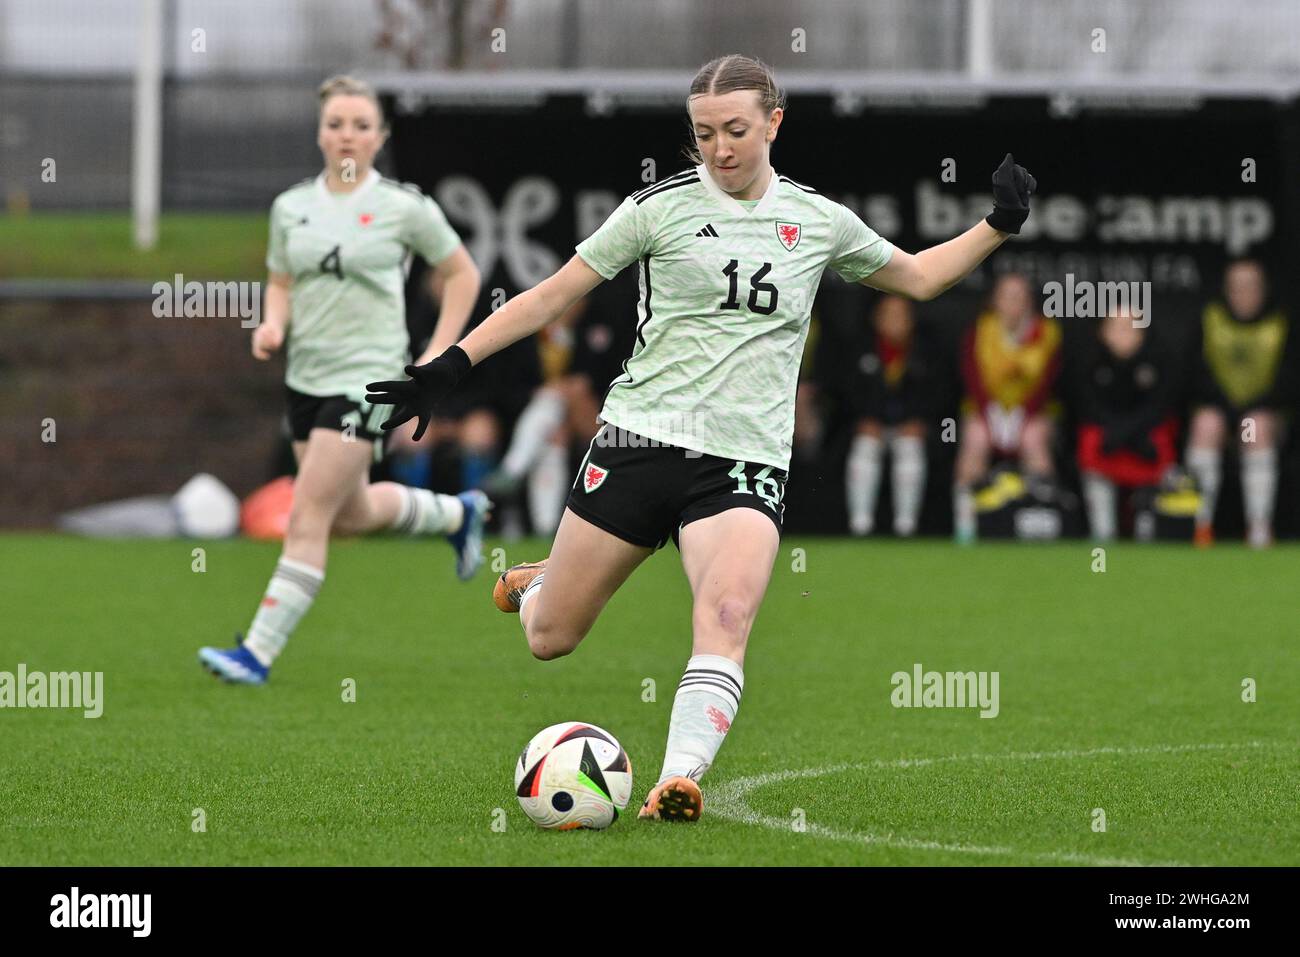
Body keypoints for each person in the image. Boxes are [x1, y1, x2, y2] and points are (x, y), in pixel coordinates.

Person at [368, 55, 1036, 821]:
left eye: (737, 130)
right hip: (638, 442)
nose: (720, 148)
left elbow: (916, 276)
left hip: (743, 462)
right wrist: (447, 366)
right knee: (550, 637)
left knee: (726, 615)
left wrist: (999, 225)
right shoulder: (659, 208)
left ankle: (678, 776)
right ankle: (543, 583)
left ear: (774, 123)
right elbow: (552, 295)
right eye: (705, 133)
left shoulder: (818, 220)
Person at [199, 75, 490, 685]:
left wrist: (437, 356)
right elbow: (281, 280)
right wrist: (271, 325)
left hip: (369, 380)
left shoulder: (403, 206)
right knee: (349, 513)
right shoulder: (291, 207)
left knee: (307, 515)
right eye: (336, 124)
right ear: (320, 133)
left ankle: (256, 652)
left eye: (361, 124)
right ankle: (456, 515)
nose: (348, 135)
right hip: (306, 379)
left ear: (380, 136)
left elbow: (463, 275)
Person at [1185, 259, 1291, 548]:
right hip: (1221, 414)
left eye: (1251, 287)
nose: (1244, 294)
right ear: (1226, 290)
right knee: (1206, 423)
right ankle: (1200, 525)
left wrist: (1250, 407)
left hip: (1258, 416)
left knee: (1253, 427)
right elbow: (1194, 373)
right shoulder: (1210, 318)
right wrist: (1225, 406)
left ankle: (1258, 527)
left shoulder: (1280, 323)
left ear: (1264, 289)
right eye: (1237, 287)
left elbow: (1288, 380)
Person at [953, 272, 1061, 542]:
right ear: (995, 301)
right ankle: (965, 523)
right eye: (1007, 296)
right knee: (975, 438)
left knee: (1034, 440)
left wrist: (1021, 415)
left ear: (1029, 301)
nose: (1013, 303)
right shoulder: (980, 330)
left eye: (1020, 296)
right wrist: (992, 413)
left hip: (1032, 414)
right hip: (985, 411)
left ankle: (1038, 519)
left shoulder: (1047, 332)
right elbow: (971, 376)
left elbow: (1048, 382)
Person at [1069, 309, 1181, 540]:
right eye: (1117, 328)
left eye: (1131, 327)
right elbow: (1087, 406)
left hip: (1144, 440)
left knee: (1163, 442)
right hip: (1108, 440)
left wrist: (1132, 434)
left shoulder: (1160, 359)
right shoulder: (1090, 360)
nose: (1124, 335)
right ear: (1103, 333)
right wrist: (1116, 432)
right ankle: (1103, 532)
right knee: (1090, 441)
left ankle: (1151, 527)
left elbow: (1160, 406)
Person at [844, 294, 930, 536]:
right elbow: (848, 394)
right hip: (872, 427)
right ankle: (860, 525)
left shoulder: (924, 352)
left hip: (909, 428)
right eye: (889, 315)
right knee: (864, 447)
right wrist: (863, 420)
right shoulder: (861, 350)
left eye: (901, 316)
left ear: (911, 320)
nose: (895, 322)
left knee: (910, 448)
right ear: (876, 320)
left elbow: (937, 395)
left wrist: (919, 422)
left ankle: (906, 526)